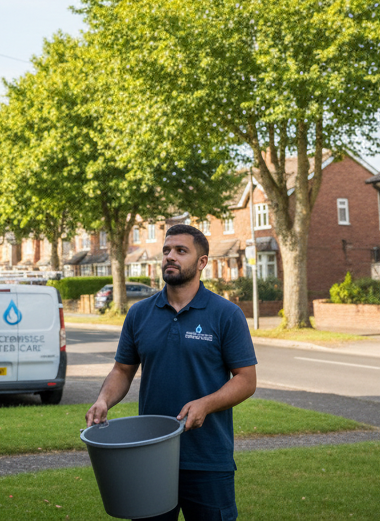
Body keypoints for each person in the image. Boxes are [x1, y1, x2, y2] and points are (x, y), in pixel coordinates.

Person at [86, 223, 258, 521]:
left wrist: (206, 404)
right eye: (166, 250)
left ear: (202, 262)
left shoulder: (225, 314)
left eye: (181, 251)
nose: (170, 256)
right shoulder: (140, 313)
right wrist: (103, 400)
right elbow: (122, 370)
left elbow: (246, 380)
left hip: (207, 458)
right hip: (149, 456)